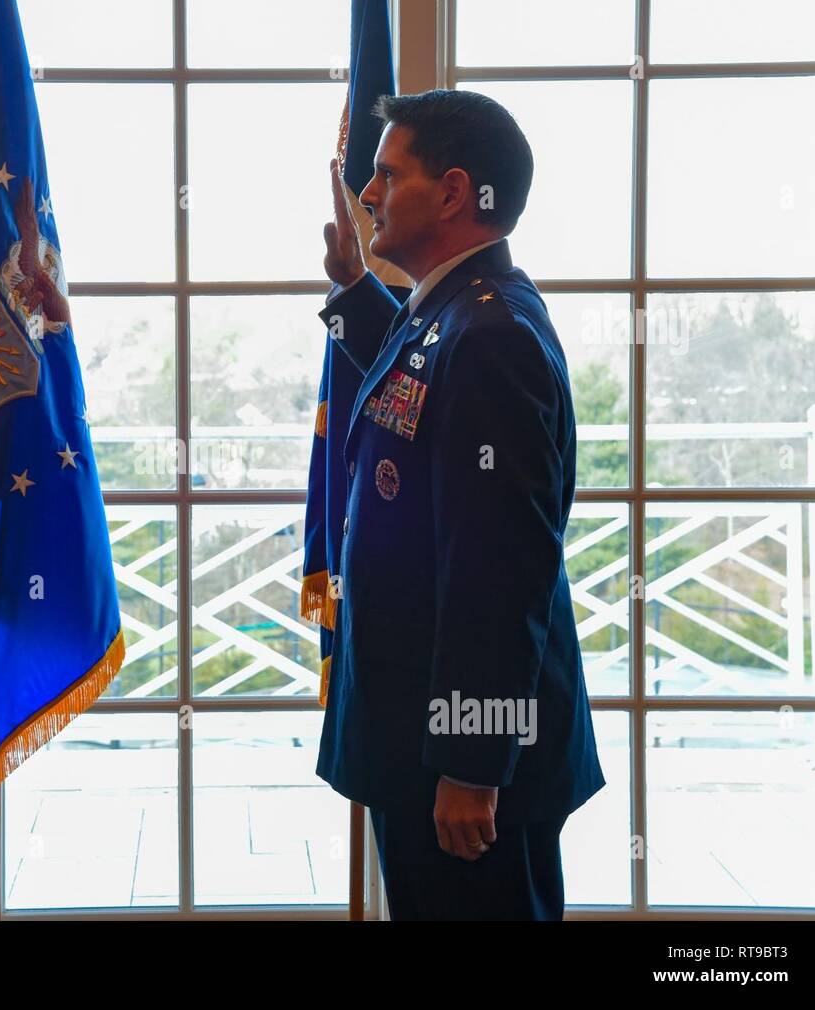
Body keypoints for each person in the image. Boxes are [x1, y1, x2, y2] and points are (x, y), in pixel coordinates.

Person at [317, 89, 604, 920]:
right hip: (422, 734)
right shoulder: (454, 311)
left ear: (451, 193)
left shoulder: (491, 334)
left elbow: (499, 569)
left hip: (464, 756)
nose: (367, 195)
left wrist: (474, 760)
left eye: (385, 174)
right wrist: (352, 290)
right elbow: (420, 399)